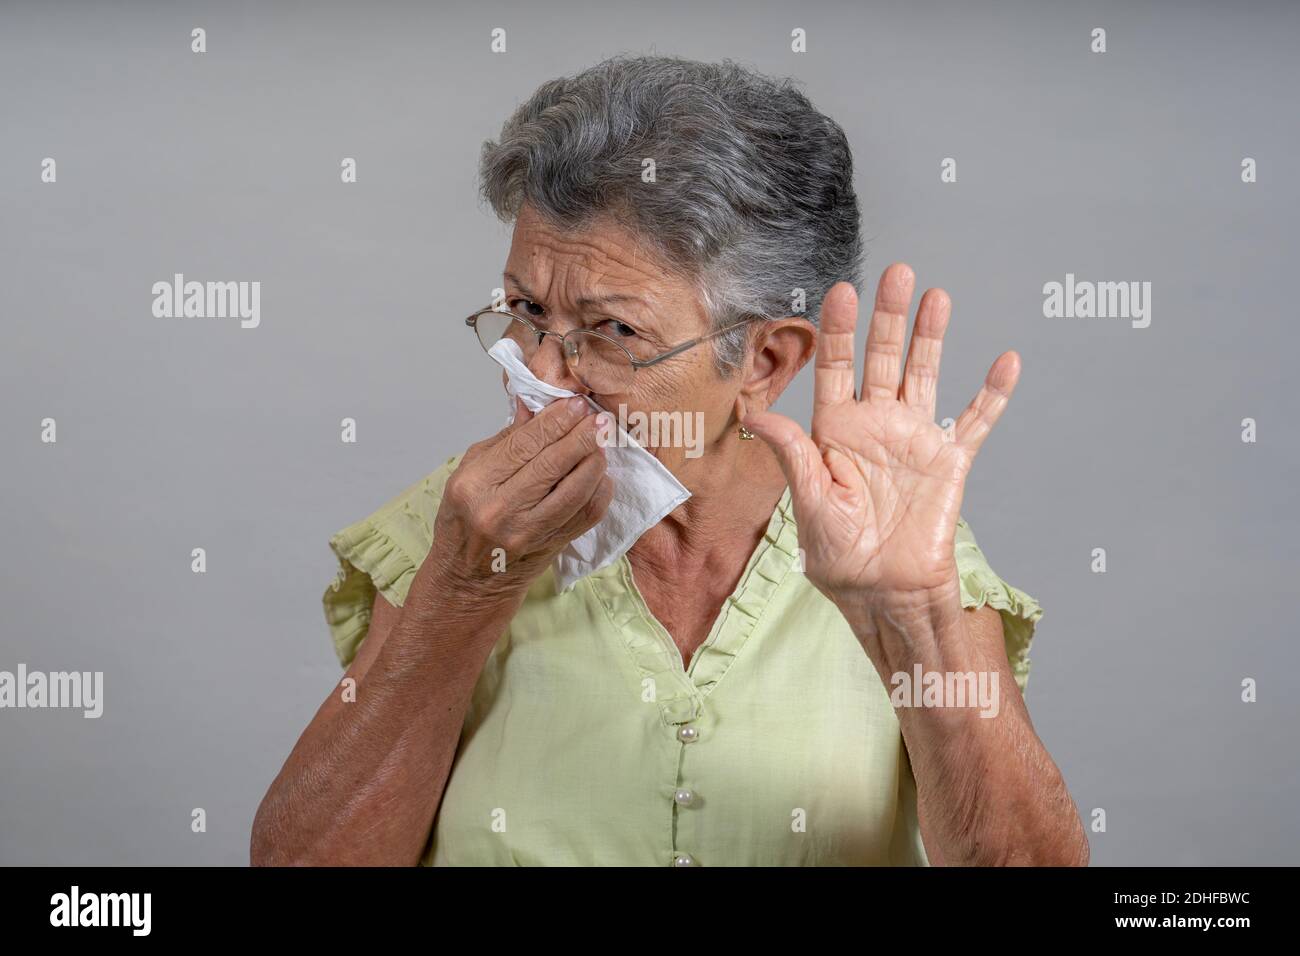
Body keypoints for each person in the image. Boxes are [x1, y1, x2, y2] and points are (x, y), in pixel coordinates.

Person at [251, 54, 1087, 867]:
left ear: (763, 363)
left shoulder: (887, 540)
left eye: (611, 330)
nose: (539, 373)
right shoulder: (462, 529)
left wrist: (915, 619)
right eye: (526, 310)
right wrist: (465, 587)